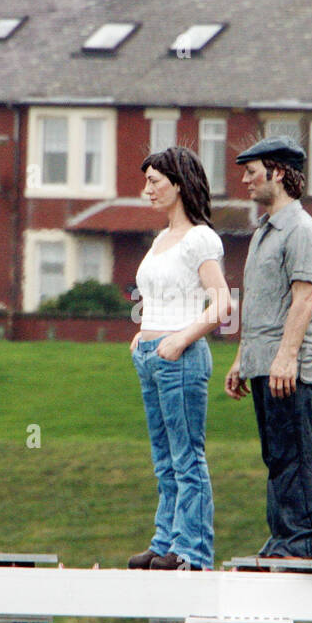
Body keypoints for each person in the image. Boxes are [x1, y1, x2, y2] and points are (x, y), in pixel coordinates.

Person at [224, 136, 312, 559]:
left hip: (289, 367)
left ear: (278, 173)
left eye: (252, 172)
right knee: (276, 455)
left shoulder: (301, 230)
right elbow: (263, 304)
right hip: (264, 363)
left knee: (295, 454)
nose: (246, 181)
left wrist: (287, 358)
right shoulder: (264, 232)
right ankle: (283, 537)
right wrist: (242, 359)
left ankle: (304, 541)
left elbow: (304, 298)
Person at [128, 147, 232, 571]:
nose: (147, 190)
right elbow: (160, 295)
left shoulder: (200, 238)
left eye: (155, 181)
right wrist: (144, 335)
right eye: (147, 181)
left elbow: (224, 303)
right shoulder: (160, 240)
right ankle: (165, 540)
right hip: (151, 356)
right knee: (164, 458)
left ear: (178, 183)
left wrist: (179, 338)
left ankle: (192, 551)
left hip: (181, 356)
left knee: (188, 457)